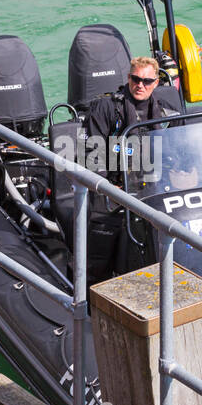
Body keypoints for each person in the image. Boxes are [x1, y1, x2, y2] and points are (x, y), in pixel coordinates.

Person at [82, 56, 180, 281]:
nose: (140, 85)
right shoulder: (105, 108)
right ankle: (89, 294)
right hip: (113, 188)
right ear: (128, 79)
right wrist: (110, 188)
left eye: (147, 81)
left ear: (156, 83)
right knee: (100, 250)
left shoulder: (167, 112)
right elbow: (91, 155)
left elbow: (180, 150)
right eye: (136, 79)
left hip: (155, 186)